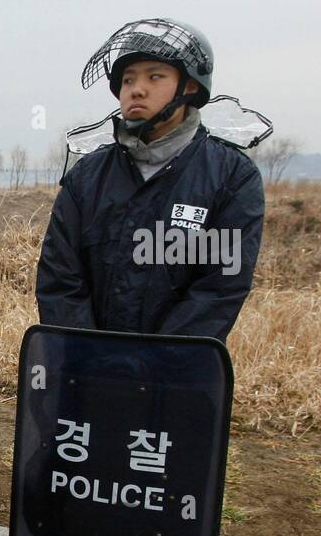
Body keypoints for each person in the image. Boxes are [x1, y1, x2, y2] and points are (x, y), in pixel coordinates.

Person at [36, 18, 265, 341]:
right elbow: (59, 279)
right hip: (87, 373)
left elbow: (220, 288)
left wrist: (156, 360)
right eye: (128, 80)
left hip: (177, 376)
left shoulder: (232, 177)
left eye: (154, 76)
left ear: (190, 86)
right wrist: (89, 352)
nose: (136, 89)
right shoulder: (86, 178)